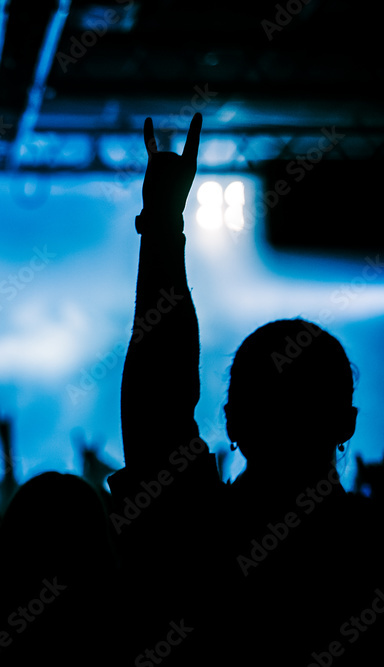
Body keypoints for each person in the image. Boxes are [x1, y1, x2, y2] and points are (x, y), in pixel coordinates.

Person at [109, 114, 381, 665]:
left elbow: (156, 406)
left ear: (231, 421)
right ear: (347, 423)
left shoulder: (195, 535)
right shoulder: (372, 546)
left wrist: (163, 224)